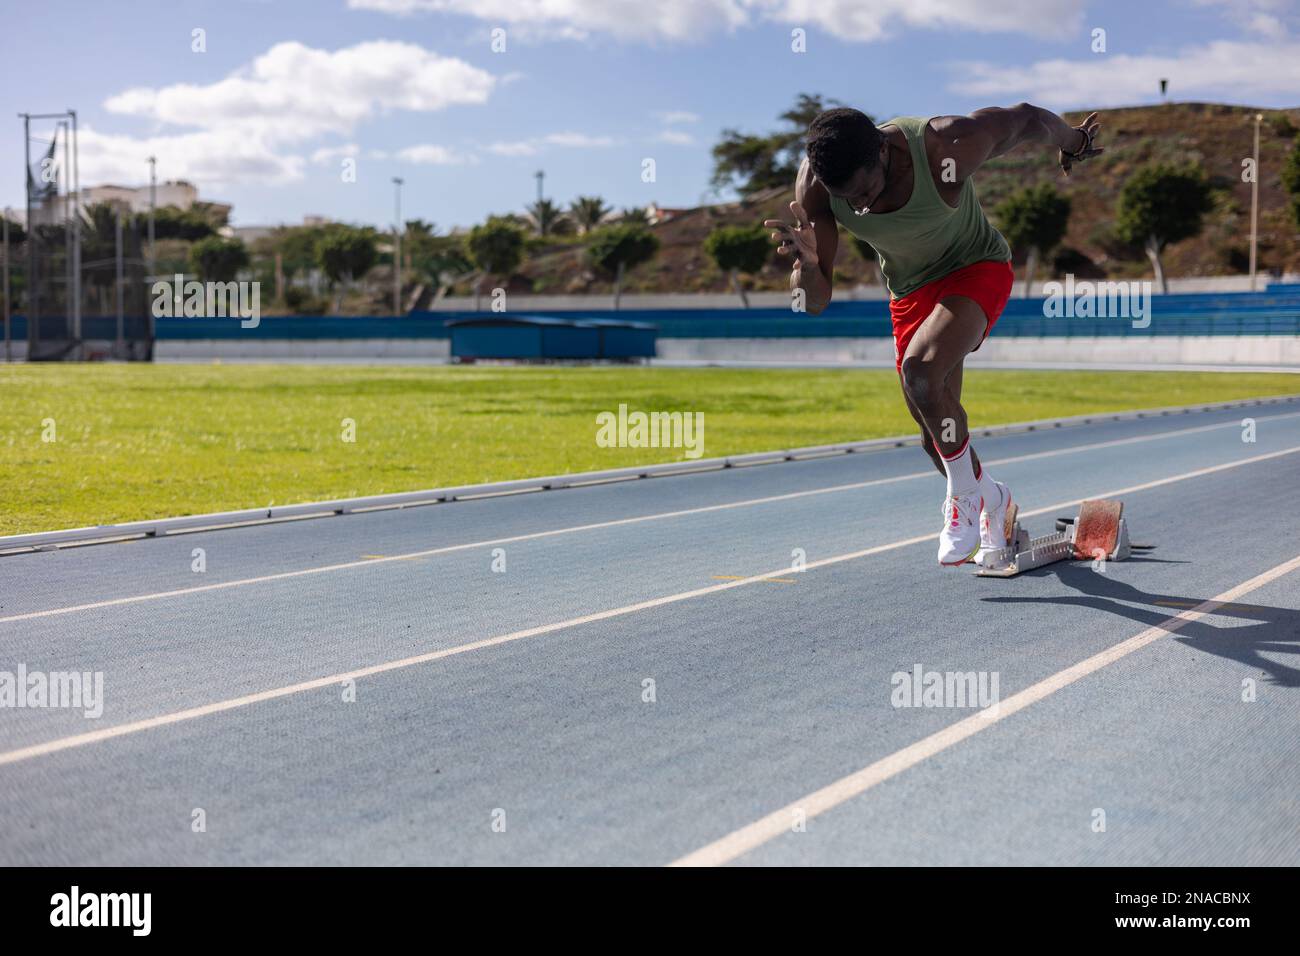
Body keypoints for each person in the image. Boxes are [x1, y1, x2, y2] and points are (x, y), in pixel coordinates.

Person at [766, 104, 1102, 567]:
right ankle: (993, 499)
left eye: (866, 191)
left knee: (920, 372)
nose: (860, 206)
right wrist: (805, 265)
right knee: (935, 434)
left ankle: (962, 502)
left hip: (975, 266)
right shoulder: (817, 187)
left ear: (883, 151)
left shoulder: (947, 147)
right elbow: (815, 301)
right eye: (850, 199)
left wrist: (1076, 143)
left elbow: (1026, 120)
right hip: (910, 290)